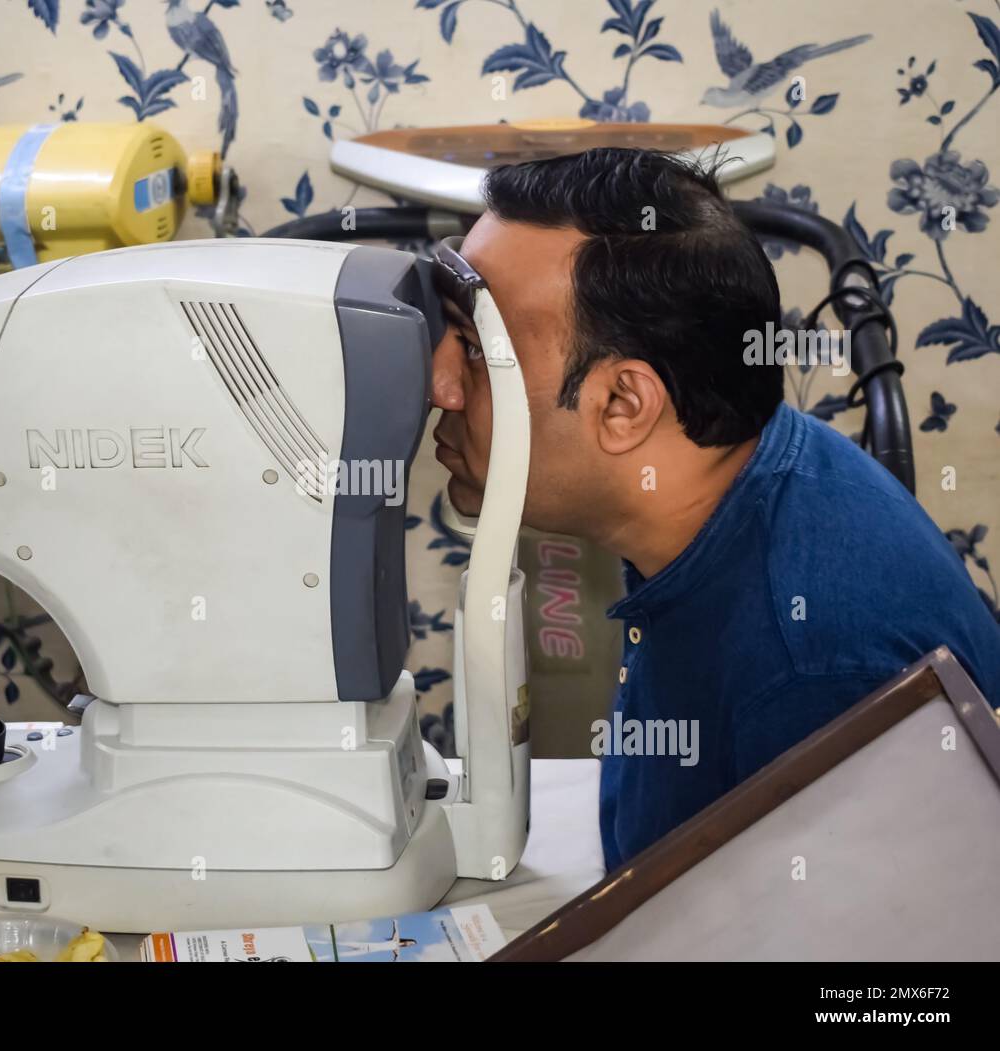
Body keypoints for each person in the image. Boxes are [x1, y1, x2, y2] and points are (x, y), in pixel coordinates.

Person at [429, 148, 1000, 872]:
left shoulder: (813, 675)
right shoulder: (735, 483)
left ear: (624, 405)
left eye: (477, 350)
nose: (440, 382)